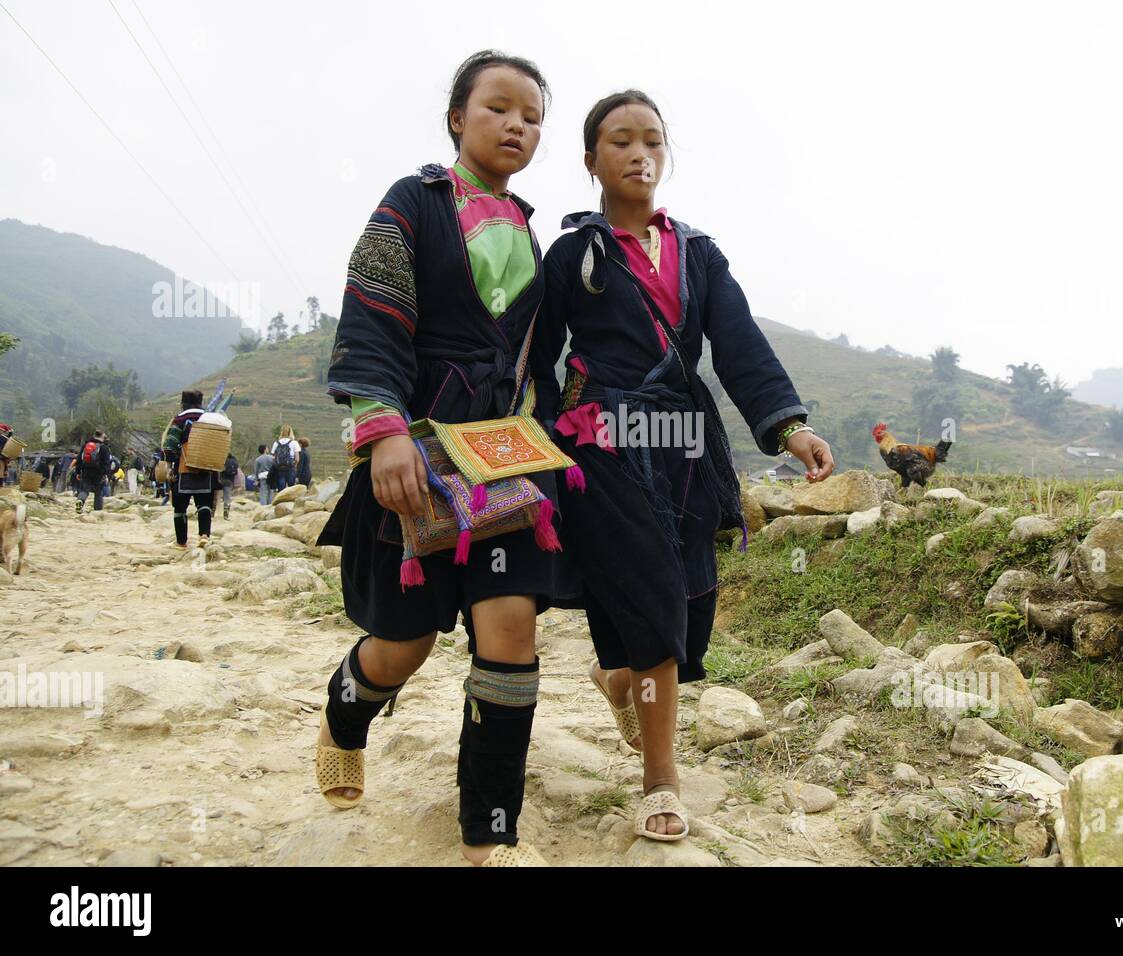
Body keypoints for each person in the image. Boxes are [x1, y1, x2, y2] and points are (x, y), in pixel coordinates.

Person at [533, 90, 835, 842]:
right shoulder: (575, 254)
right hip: (603, 439)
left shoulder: (698, 251)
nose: (640, 154)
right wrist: (533, 438)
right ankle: (662, 778)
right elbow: (537, 357)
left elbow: (737, 343)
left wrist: (789, 426)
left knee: (690, 599)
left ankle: (618, 680)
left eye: (653, 141)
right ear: (590, 159)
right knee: (654, 595)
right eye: (620, 141)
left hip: (685, 443)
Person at [314, 50, 562, 866]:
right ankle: (346, 714)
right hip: (416, 452)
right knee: (404, 643)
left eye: (532, 115)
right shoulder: (411, 204)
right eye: (499, 108)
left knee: (511, 627)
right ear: (458, 118)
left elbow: (548, 358)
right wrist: (382, 429)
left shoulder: (531, 229)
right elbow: (374, 317)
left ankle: (485, 835)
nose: (517, 125)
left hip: (501, 461)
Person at [162, 390, 217, 548]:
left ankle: (181, 542)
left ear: (183, 403)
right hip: (206, 468)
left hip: (183, 467)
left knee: (180, 506)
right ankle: (204, 535)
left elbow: (170, 446)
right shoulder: (210, 419)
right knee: (204, 503)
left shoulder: (180, 419)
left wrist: (169, 468)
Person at [73, 430, 112, 513]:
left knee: (84, 490)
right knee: (98, 492)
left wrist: (77, 472)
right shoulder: (104, 447)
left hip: (85, 471)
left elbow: (79, 460)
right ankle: (97, 511)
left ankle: (80, 500)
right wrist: (106, 474)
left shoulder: (85, 445)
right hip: (99, 473)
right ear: (102, 437)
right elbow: (106, 463)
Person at [270, 426, 300, 491]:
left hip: (279, 468)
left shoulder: (276, 443)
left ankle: (281, 500)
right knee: (291, 489)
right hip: (290, 467)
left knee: (281, 489)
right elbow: (297, 459)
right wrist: (294, 466)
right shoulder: (294, 442)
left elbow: (273, 457)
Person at [219, 452, 239, 519]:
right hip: (229, 481)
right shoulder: (234, 461)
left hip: (219, 480)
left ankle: (212, 513)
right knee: (227, 499)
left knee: (214, 497)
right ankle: (226, 515)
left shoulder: (222, 460)